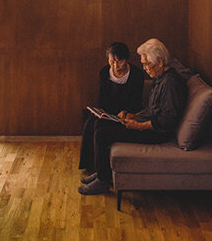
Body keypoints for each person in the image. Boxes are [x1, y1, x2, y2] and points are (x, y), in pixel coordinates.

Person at [79, 38, 188, 195]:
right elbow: (151, 109)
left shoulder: (170, 83)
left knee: (102, 134)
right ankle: (103, 172)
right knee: (99, 124)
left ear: (160, 61)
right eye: (143, 64)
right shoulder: (160, 78)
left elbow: (166, 121)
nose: (144, 68)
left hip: (156, 133)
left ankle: (103, 182)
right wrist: (134, 116)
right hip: (146, 123)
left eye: (147, 64)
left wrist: (138, 125)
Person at [78, 42, 144, 173]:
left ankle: (99, 170)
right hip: (107, 111)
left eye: (119, 62)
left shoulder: (136, 74)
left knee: (100, 128)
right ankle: (89, 166)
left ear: (126, 60)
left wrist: (125, 112)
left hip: (126, 114)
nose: (115, 66)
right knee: (90, 123)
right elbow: (101, 98)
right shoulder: (104, 72)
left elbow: (136, 102)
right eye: (111, 61)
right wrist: (103, 112)